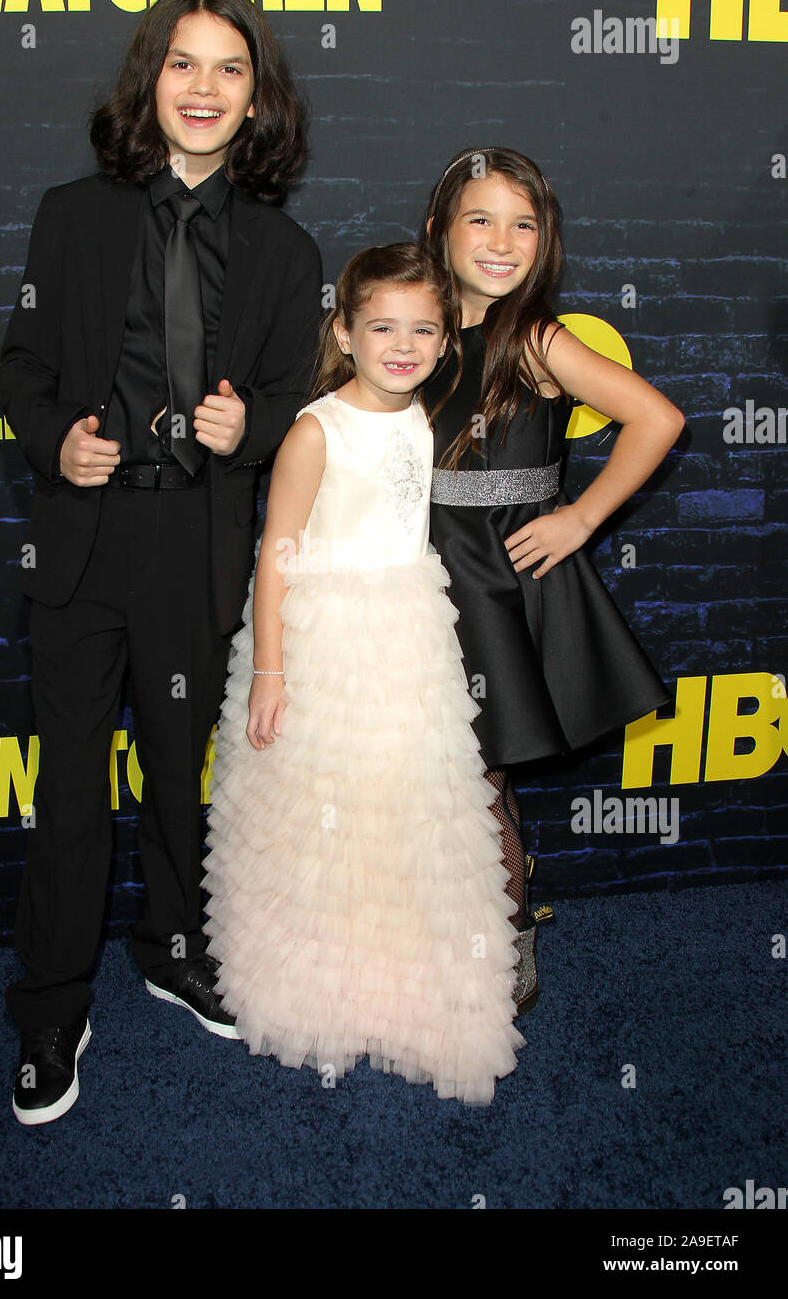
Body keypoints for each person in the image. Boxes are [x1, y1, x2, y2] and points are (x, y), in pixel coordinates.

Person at [0, 0, 322, 1125]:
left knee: (184, 776)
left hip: (195, 545)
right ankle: (48, 1002)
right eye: (182, 64)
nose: (203, 87)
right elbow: (21, 371)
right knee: (72, 789)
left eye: (229, 69)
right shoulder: (69, 217)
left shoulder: (285, 249)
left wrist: (253, 428)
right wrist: (59, 441)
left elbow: (296, 399)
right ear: (150, 83)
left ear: (256, 99)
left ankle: (173, 946)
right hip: (86, 545)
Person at [202, 244, 525, 1105]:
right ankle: (323, 989)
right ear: (343, 332)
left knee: (403, 806)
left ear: (445, 340)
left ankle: (399, 987)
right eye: (381, 326)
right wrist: (270, 667)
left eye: (424, 329)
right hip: (322, 636)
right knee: (319, 816)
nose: (403, 344)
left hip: (413, 630)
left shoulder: (431, 420)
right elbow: (276, 554)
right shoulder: (316, 428)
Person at [420, 146, 686, 1011]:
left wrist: (579, 517)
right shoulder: (411, 326)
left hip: (494, 580)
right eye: (481, 220)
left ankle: (507, 933)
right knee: (422, 767)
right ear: (438, 229)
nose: (502, 242)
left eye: (523, 224)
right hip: (412, 571)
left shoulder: (531, 335)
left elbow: (656, 417)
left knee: (479, 770)